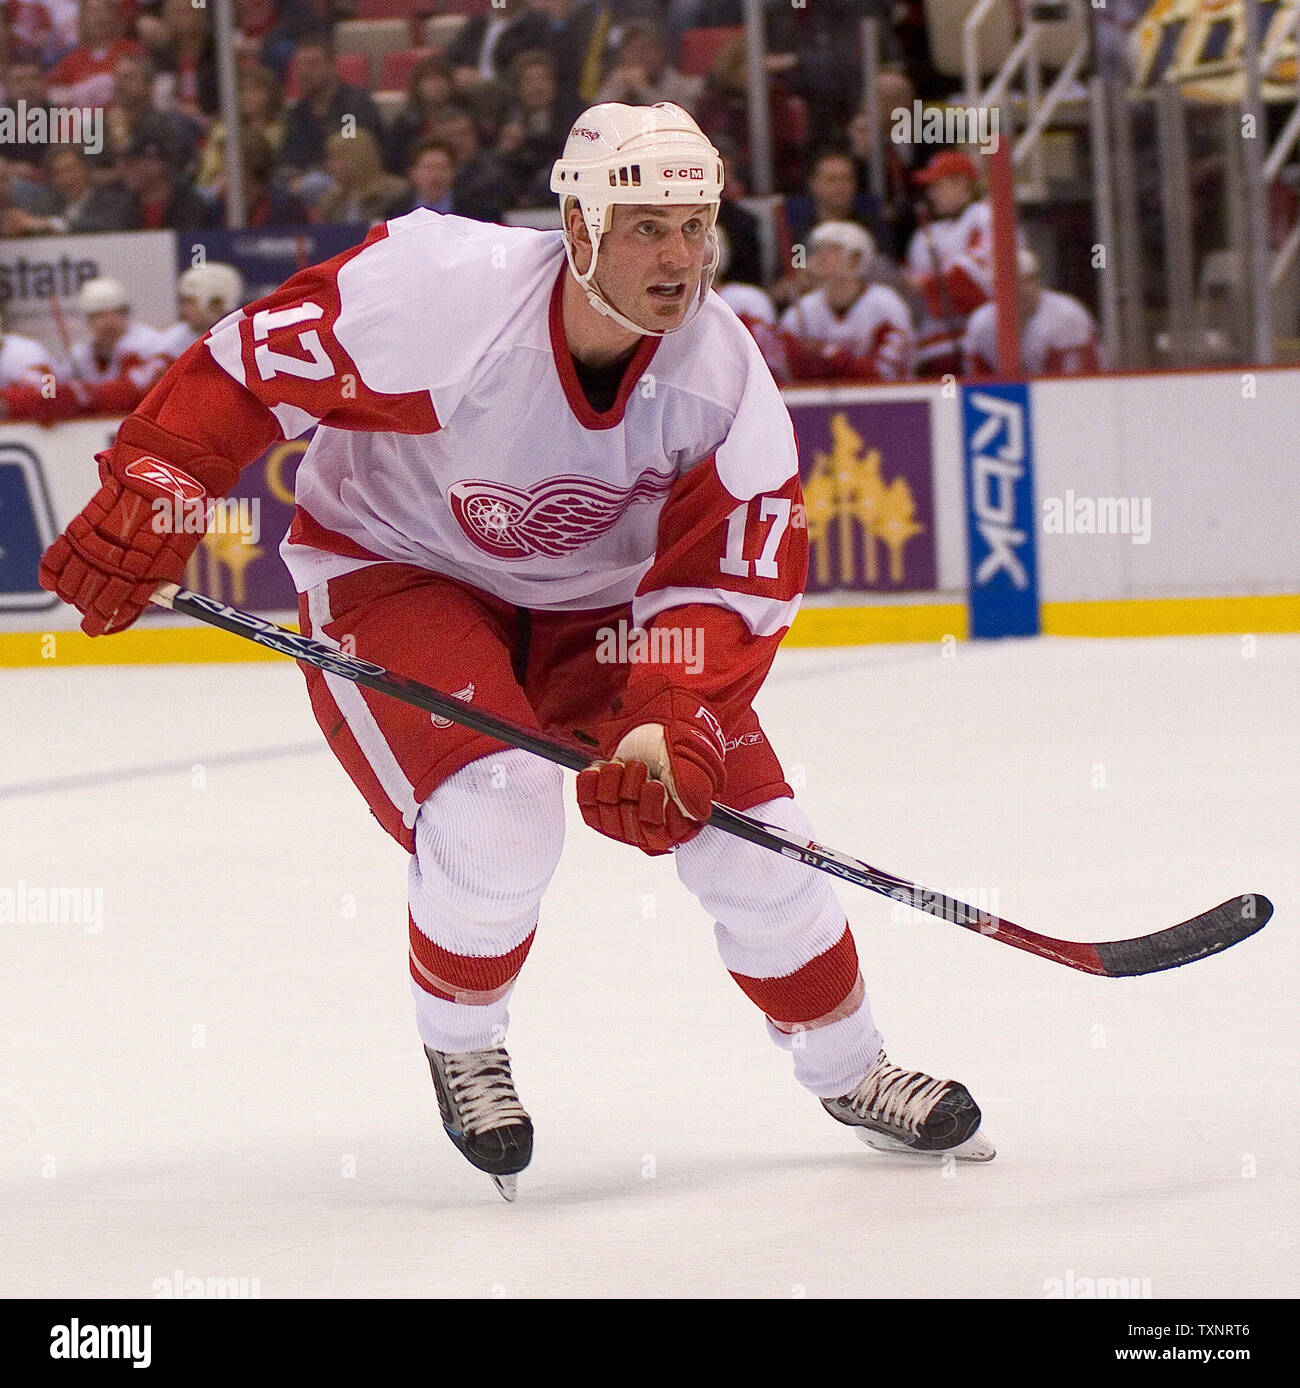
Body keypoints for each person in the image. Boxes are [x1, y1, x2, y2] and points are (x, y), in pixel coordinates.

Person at [39, 102, 992, 1199]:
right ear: (577, 228)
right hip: (398, 570)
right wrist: (165, 475)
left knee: (758, 841)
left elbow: (726, 577)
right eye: (644, 228)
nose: (677, 257)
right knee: (500, 812)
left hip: (604, 615)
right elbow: (247, 364)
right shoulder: (441, 289)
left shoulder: (721, 377)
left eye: (693, 227)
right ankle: (464, 1038)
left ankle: (853, 1068)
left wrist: (672, 714)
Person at [780, 221, 915, 382]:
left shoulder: (886, 305)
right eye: (818, 250)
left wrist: (830, 353)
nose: (822, 256)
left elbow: (888, 374)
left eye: (834, 250)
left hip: (881, 402)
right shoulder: (801, 311)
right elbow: (788, 377)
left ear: (856, 259)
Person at [904, 149, 994, 377]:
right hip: (931, 351)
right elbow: (910, 295)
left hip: (977, 345)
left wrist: (924, 285)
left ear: (962, 183)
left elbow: (975, 285)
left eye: (938, 186)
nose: (931, 195)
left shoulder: (984, 216)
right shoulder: (924, 235)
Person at [963, 249, 1105, 378]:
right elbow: (977, 381)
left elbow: (1075, 380)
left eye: (1023, 281)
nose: (1015, 290)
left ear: (1036, 281)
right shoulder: (980, 322)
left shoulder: (1067, 314)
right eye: (1004, 285)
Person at [155, 262, 245, 362]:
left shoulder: (245, 341)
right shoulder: (172, 342)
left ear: (216, 305)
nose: (183, 310)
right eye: (183, 301)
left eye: (191, 303)